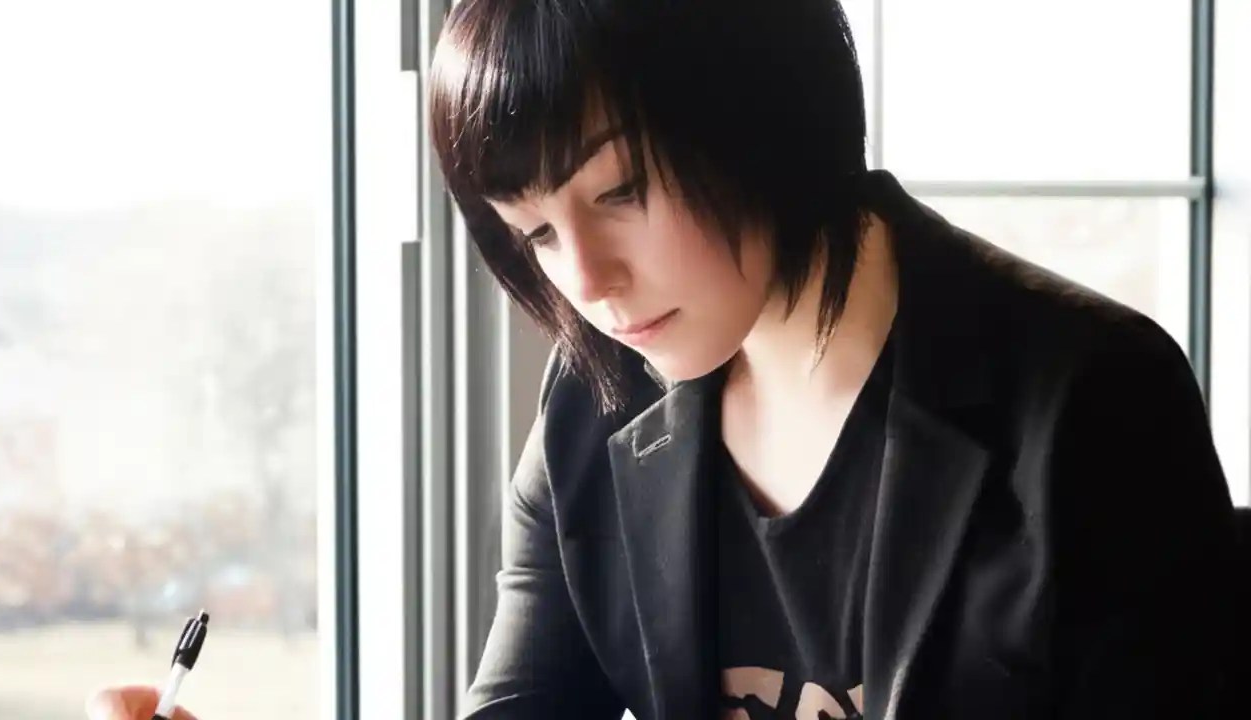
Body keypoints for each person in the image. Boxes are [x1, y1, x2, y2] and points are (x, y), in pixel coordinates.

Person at [88, 0, 1244, 718]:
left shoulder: (1087, 402)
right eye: (534, 230)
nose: (583, 281)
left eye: (622, 192)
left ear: (762, 114)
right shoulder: (597, 399)